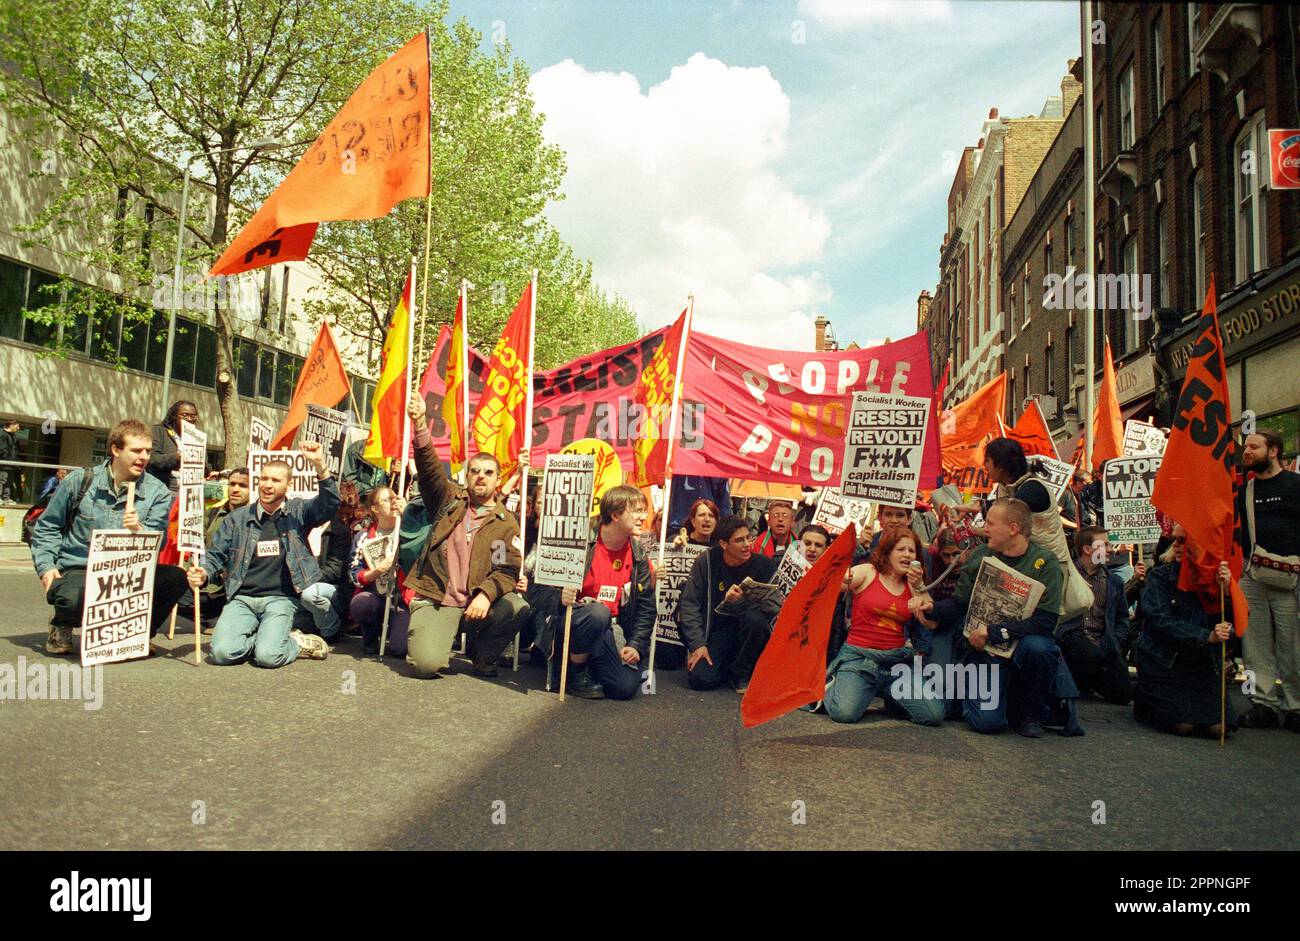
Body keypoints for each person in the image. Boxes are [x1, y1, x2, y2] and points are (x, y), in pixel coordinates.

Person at [30, 418, 190, 655]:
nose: (144, 457)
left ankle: (137, 633)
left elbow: (160, 541)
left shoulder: (157, 492)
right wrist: (46, 567)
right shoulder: (80, 481)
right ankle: (61, 623)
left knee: (176, 578)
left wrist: (139, 529)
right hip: (81, 568)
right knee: (70, 598)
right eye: (136, 451)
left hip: (132, 571)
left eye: (147, 451)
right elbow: (47, 526)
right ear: (116, 449)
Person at [918, 498, 1071, 737]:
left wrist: (994, 631)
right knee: (986, 723)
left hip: (1021, 643)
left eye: (990, 523)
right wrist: (932, 608)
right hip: (985, 649)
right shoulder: (980, 555)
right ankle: (996, 701)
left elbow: (1046, 621)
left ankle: (1030, 712)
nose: (984, 528)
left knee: (1040, 649)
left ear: (1013, 529)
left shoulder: (1045, 562)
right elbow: (959, 604)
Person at [402, 395, 528, 679]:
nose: (481, 477)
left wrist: (486, 594)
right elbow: (430, 469)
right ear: (467, 476)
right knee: (426, 667)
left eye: (488, 473)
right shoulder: (449, 501)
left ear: (498, 480)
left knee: (517, 607)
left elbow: (505, 570)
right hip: (438, 600)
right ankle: (436, 635)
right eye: (475, 471)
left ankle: (481, 654)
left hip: (476, 605)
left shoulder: (504, 524)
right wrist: (420, 422)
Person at [187, 442, 336, 667]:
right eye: (264, 479)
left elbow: (329, 504)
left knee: (268, 657)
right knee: (221, 654)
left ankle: (295, 642)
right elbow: (214, 555)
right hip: (242, 599)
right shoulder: (236, 519)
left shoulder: (298, 512)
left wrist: (320, 466)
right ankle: (267, 639)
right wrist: (203, 572)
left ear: (289, 485)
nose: (267, 485)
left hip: (281, 599)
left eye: (275, 480)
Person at [531, 485, 656, 700]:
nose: (643, 517)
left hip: (610, 628)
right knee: (597, 613)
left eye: (643, 510)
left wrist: (635, 645)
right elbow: (535, 591)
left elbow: (646, 607)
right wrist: (559, 598)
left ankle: (591, 663)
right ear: (615, 515)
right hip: (571, 622)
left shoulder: (638, 554)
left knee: (624, 688)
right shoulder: (577, 541)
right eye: (636, 511)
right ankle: (576, 673)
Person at [823, 528, 943, 726]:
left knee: (933, 715)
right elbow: (833, 584)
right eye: (901, 549)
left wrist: (920, 591)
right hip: (859, 658)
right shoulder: (868, 572)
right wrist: (841, 578)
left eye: (911, 551)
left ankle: (886, 694)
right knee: (844, 714)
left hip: (896, 662)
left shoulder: (914, 584)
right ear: (887, 552)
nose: (907, 554)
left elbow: (931, 623)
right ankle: (834, 684)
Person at [1132, 524, 1236, 738]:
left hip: (1199, 662)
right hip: (1164, 660)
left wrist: (1226, 593)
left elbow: (1234, 624)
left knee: (1220, 729)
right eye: (1175, 540)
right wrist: (1206, 636)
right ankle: (1145, 702)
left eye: (1182, 540)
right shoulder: (1159, 576)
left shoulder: (1214, 580)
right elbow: (1162, 621)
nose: (1176, 546)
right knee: (1184, 726)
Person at [983, 438, 1090, 623]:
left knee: (1046, 625)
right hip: (1025, 567)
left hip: (1048, 569)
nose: (984, 466)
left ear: (1000, 465)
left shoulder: (1032, 489)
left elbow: (1007, 516)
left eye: (987, 461)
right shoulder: (1005, 488)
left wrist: (973, 524)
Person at [1235, 430, 1300, 732]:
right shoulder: (1245, 492)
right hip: (1254, 577)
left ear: (1273, 451)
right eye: (1245, 446)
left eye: (1254, 447)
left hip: (1293, 578)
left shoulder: (1296, 485)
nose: (1246, 451)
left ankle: (1295, 706)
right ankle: (1264, 704)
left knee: (1293, 646)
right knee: (1255, 646)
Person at [677, 515, 779, 693]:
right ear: (723, 544)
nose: (747, 544)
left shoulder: (764, 564)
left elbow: (776, 607)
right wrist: (698, 645)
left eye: (749, 537)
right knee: (700, 679)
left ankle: (741, 673)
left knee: (754, 619)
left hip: (751, 632)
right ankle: (726, 667)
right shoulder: (706, 561)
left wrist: (743, 602)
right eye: (739, 540)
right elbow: (689, 604)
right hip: (717, 630)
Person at [1056, 527, 1133, 705]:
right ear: (1087, 549)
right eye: (1104, 544)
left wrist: (1117, 640)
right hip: (1072, 640)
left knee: (1123, 695)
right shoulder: (1065, 575)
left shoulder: (1113, 581)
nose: (1110, 549)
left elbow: (1122, 617)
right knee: (1086, 653)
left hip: (1103, 643)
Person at [297, 479, 363, 644]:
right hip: (300, 586)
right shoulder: (300, 526)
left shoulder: (340, 531)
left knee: (311, 595)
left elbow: (335, 569)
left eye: (348, 513)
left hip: (332, 588)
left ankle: (331, 630)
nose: (345, 517)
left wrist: (305, 579)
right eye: (341, 511)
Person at [350, 485, 412, 656]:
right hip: (376, 595)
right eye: (387, 500)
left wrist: (408, 516)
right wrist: (377, 570)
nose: (393, 502)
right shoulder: (363, 537)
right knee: (361, 603)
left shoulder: (409, 532)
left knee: (400, 650)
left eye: (394, 498)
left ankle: (397, 629)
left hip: (401, 598)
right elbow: (353, 573)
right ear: (375, 508)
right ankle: (371, 635)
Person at [864, 504, 934, 578]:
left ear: (909, 519)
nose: (894, 520)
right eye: (888, 514)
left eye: (900, 515)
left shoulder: (921, 553)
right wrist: (860, 549)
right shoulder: (867, 545)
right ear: (879, 517)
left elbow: (927, 585)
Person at [147, 400, 201, 492]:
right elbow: (151, 459)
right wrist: (176, 458)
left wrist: (204, 467)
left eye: (193, 416)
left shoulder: (198, 438)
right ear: (174, 416)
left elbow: (206, 465)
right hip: (164, 490)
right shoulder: (159, 431)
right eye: (185, 415)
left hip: (189, 493)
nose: (189, 419)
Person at [667, 475, 731, 535]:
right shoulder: (676, 465)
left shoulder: (719, 470)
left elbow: (724, 504)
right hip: (679, 528)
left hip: (709, 532)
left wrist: (723, 530)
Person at [0, 419, 21, 502]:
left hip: (12, 464)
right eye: (17, 426)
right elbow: (2, 449)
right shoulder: (2, 434)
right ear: (11, 425)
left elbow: (15, 451)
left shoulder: (14, 436)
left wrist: (16, 462)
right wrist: (7, 458)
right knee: (2, 480)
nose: (18, 428)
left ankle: (6, 498)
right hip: (4, 463)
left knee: (9, 481)